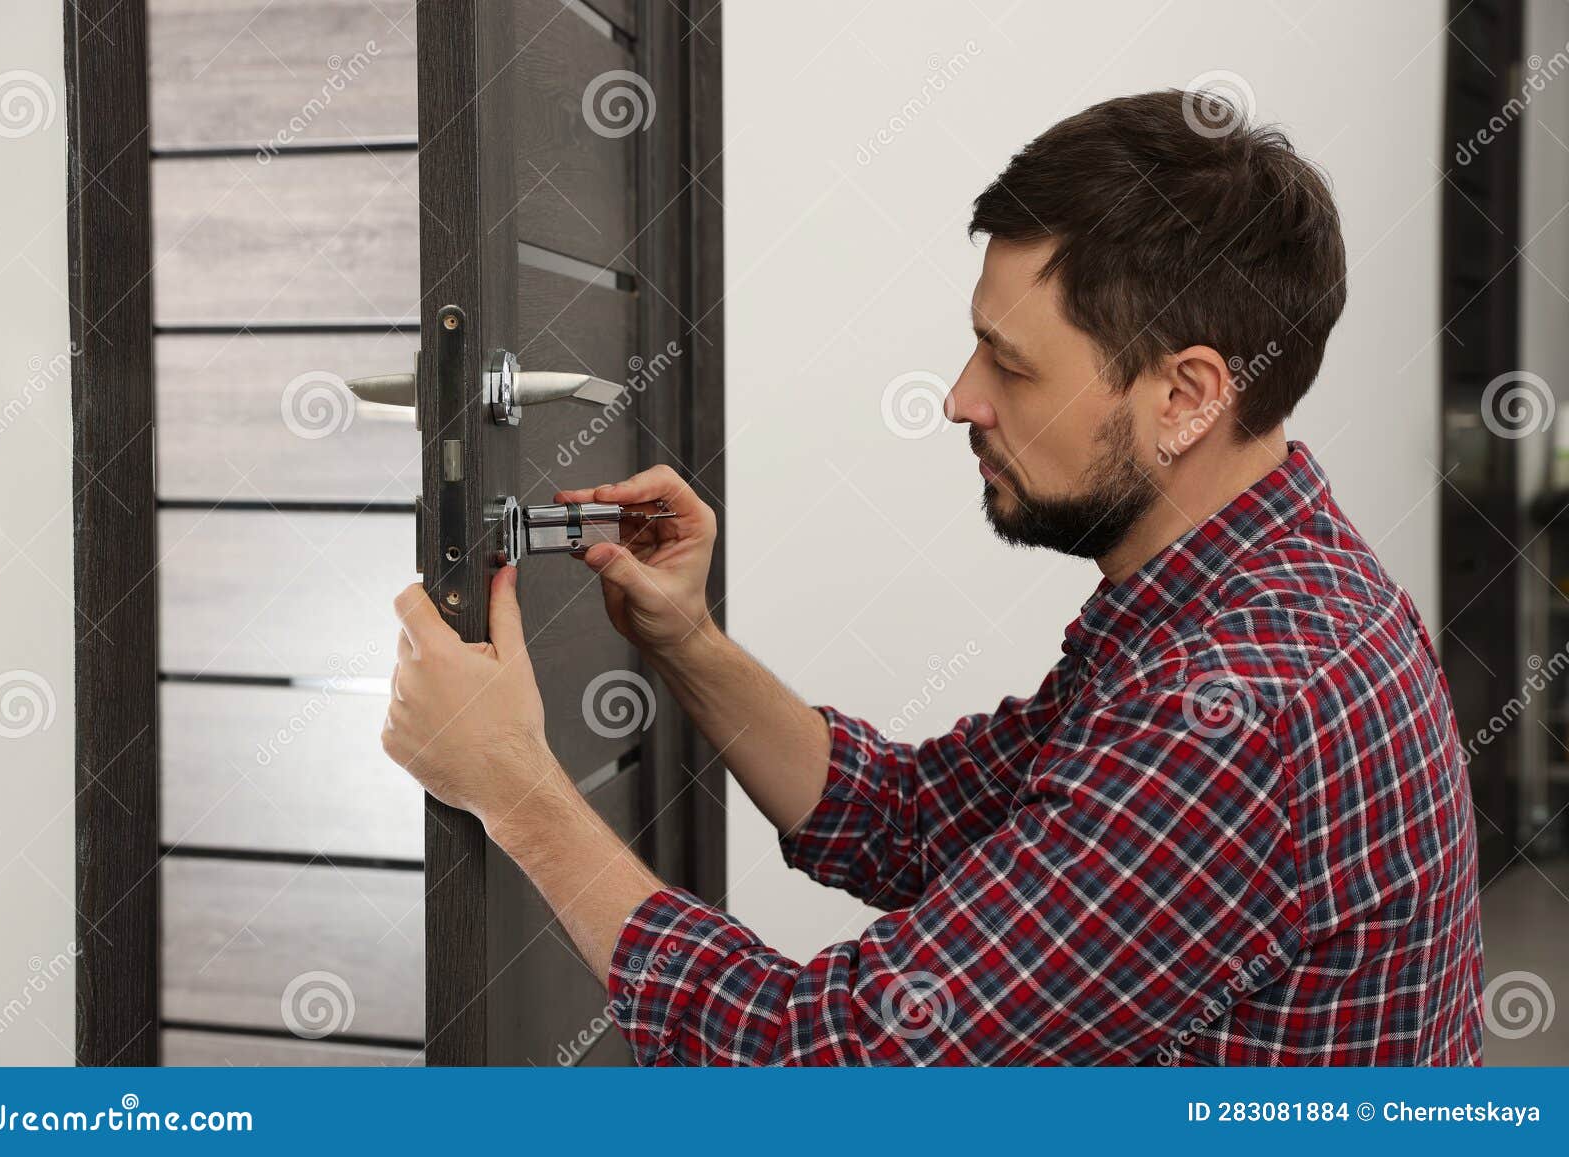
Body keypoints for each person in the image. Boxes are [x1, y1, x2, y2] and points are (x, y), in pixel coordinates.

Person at [380, 90, 1484, 1065]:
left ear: (1187, 395)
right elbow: (913, 818)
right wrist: (686, 641)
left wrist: (512, 786)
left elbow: (811, 1076)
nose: (959, 397)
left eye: (1010, 362)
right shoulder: (1239, 588)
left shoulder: (1236, 712)